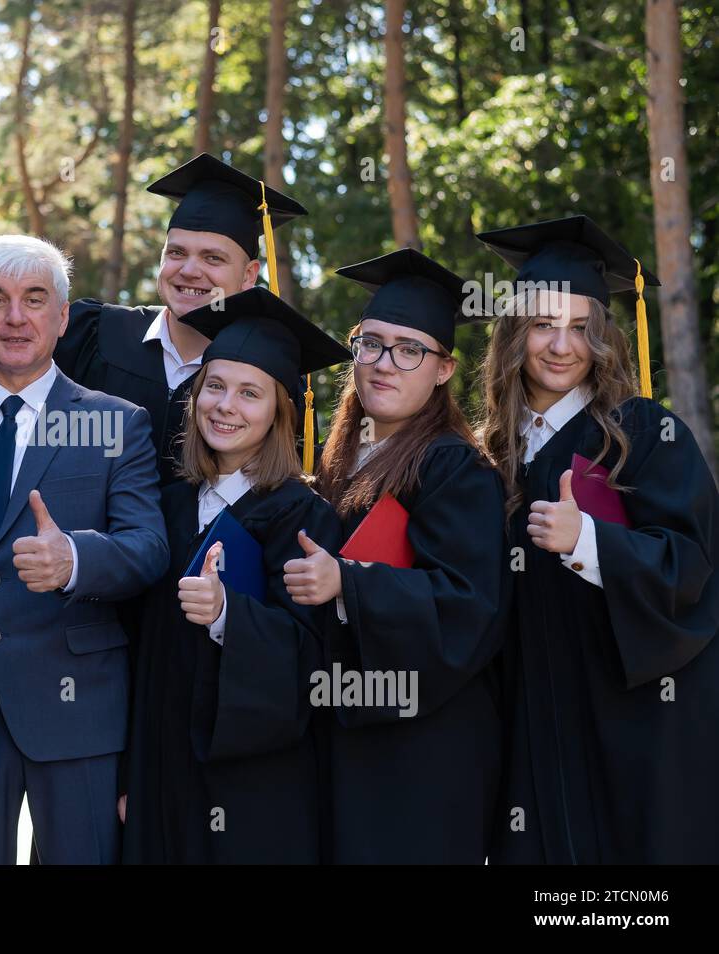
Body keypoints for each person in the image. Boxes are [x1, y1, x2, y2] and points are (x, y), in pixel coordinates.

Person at [478, 215, 719, 863]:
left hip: (632, 723)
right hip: (532, 724)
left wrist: (587, 540)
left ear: (603, 338)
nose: (562, 346)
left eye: (581, 328)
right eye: (543, 325)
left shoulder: (642, 434)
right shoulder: (490, 458)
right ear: (514, 334)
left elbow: (693, 565)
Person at [0, 234, 168, 864]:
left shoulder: (115, 421)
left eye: (34, 299)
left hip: (77, 701)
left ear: (61, 317)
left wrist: (74, 560)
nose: (15, 317)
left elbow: (148, 546)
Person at [285, 248, 509, 863]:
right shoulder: (336, 460)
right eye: (371, 344)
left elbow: (471, 606)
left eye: (410, 349)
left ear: (443, 369)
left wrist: (347, 582)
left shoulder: (454, 467)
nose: (384, 363)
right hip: (349, 730)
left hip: (425, 748)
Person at [121, 287, 350, 863]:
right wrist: (130, 773)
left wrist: (228, 616)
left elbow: (314, 658)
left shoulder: (304, 517)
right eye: (215, 386)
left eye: (250, 393)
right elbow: (135, 650)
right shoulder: (167, 506)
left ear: (281, 412)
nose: (225, 406)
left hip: (254, 786)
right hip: (160, 772)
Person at [0, 154, 308, 484]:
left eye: (213, 258)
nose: (190, 271)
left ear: (249, 275)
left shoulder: (270, 373)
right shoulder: (92, 331)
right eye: (176, 253)